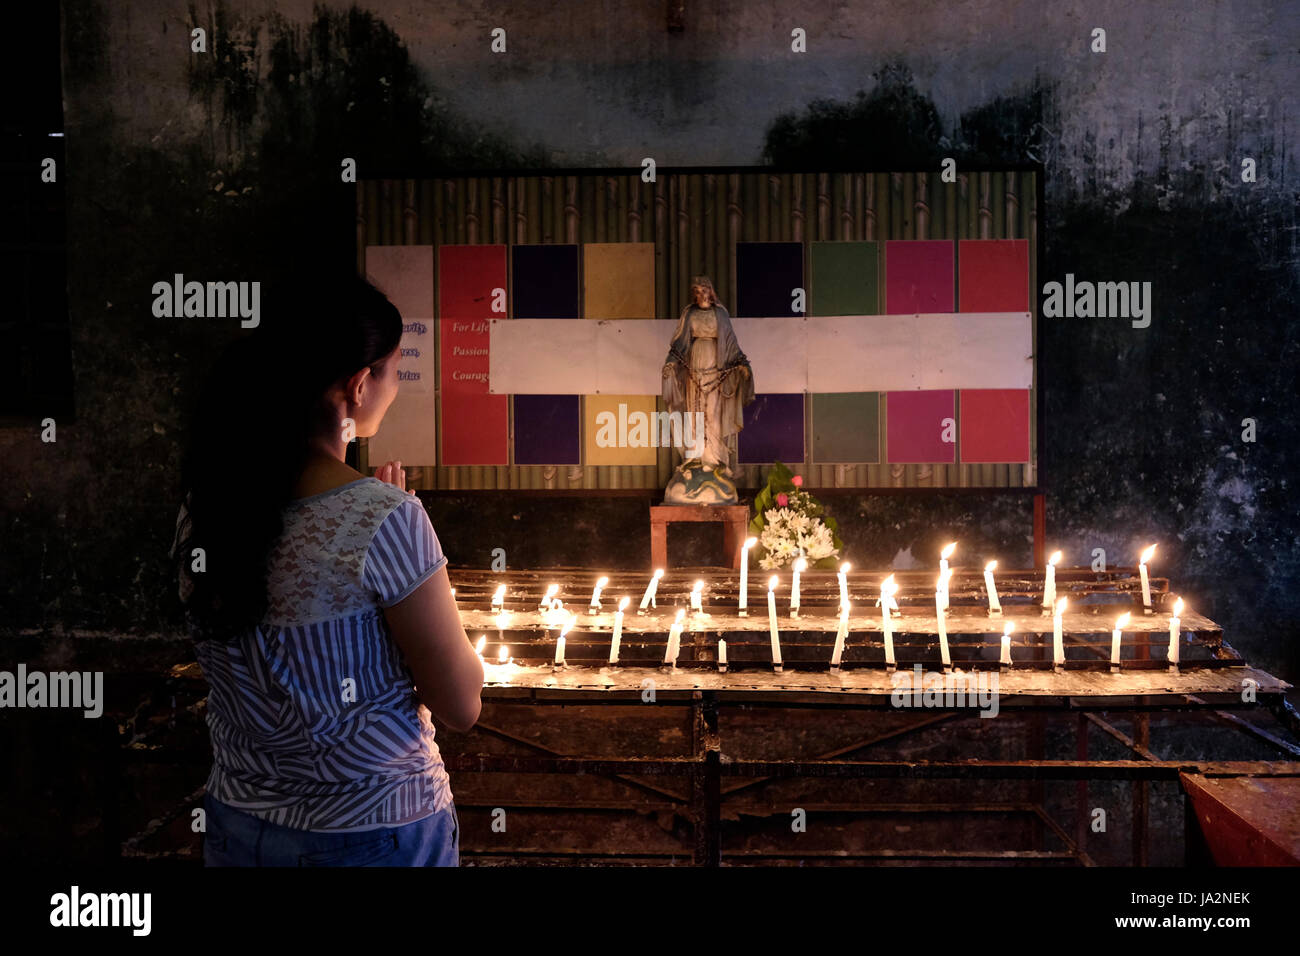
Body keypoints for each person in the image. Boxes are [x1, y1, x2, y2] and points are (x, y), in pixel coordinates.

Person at [170, 269, 483, 866]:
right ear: (359, 385)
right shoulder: (386, 520)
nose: (396, 387)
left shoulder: (202, 512)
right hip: (373, 832)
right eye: (394, 370)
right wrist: (399, 537)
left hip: (240, 826)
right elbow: (461, 703)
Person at [661, 275, 755, 474]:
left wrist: (742, 364)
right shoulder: (689, 313)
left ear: (710, 292)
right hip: (694, 367)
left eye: (704, 291)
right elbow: (679, 343)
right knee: (694, 410)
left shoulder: (720, 314)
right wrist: (671, 362)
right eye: (697, 292)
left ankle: (714, 457)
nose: (701, 295)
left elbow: (731, 343)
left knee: (713, 411)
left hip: (716, 364)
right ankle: (695, 455)